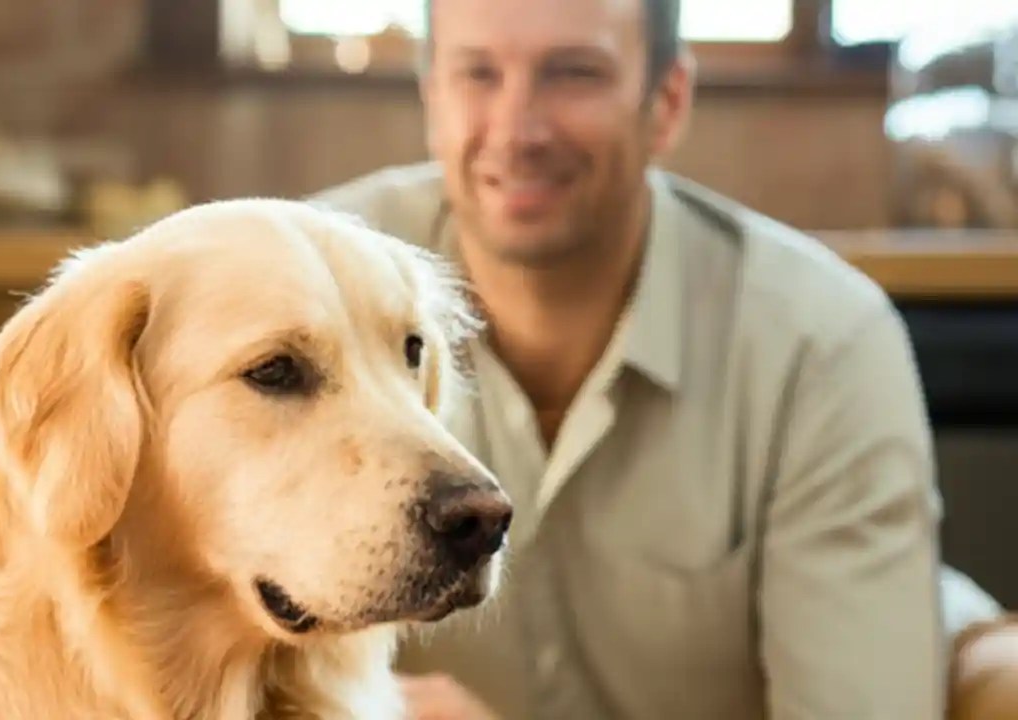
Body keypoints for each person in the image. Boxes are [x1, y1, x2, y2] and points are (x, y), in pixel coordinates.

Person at [308, 0, 1006, 717]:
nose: (516, 130)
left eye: (573, 74)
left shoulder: (821, 343)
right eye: (477, 73)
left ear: (667, 102)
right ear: (433, 98)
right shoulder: (303, 296)